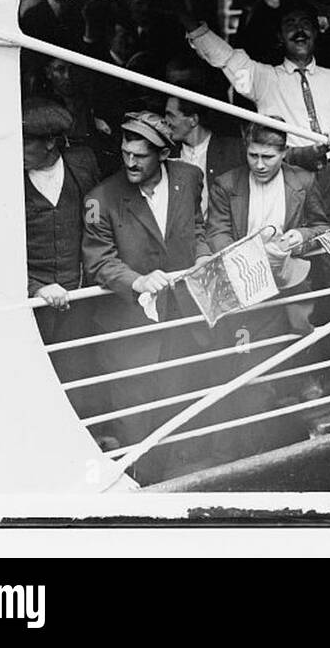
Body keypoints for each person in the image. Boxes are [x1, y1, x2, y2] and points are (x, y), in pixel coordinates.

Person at [178, 0, 330, 353]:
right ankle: (292, 357)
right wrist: (191, 22)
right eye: (289, 26)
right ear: (278, 38)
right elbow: (225, 57)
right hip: (284, 177)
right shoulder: (264, 78)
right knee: (288, 270)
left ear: (317, 32)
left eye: (304, 24)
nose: (298, 31)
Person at [80, 112, 213, 482]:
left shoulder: (189, 178)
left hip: (179, 319)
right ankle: (135, 488)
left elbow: (195, 227)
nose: (130, 162)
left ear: (164, 153)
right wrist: (137, 281)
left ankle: (166, 484)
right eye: (125, 153)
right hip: (129, 329)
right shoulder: (100, 199)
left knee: (174, 400)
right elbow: (99, 262)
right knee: (133, 414)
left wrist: (202, 253)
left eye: (140, 155)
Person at [206, 119, 330, 437]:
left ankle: (304, 385)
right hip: (248, 282)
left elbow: (322, 228)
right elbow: (217, 232)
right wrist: (243, 260)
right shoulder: (227, 183)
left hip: (292, 277)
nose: (259, 164)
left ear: (284, 153)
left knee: (300, 332)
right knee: (250, 350)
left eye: (268, 157)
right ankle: (257, 416)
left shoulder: (304, 180)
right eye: (253, 155)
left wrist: (299, 236)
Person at [21, 97, 108, 433]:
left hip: (80, 300)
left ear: (51, 142)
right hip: (29, 306)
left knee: (78, 378)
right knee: (33, 382)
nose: (18, 149)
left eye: (26, 142)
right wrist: (36, 287)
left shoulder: (82, 165)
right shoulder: (2, 177)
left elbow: (101, 220)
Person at [164, 94, 245, 220]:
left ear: (193, 120)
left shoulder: (234, 151)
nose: (165, 121)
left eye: (171, 115)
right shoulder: (167, 154)